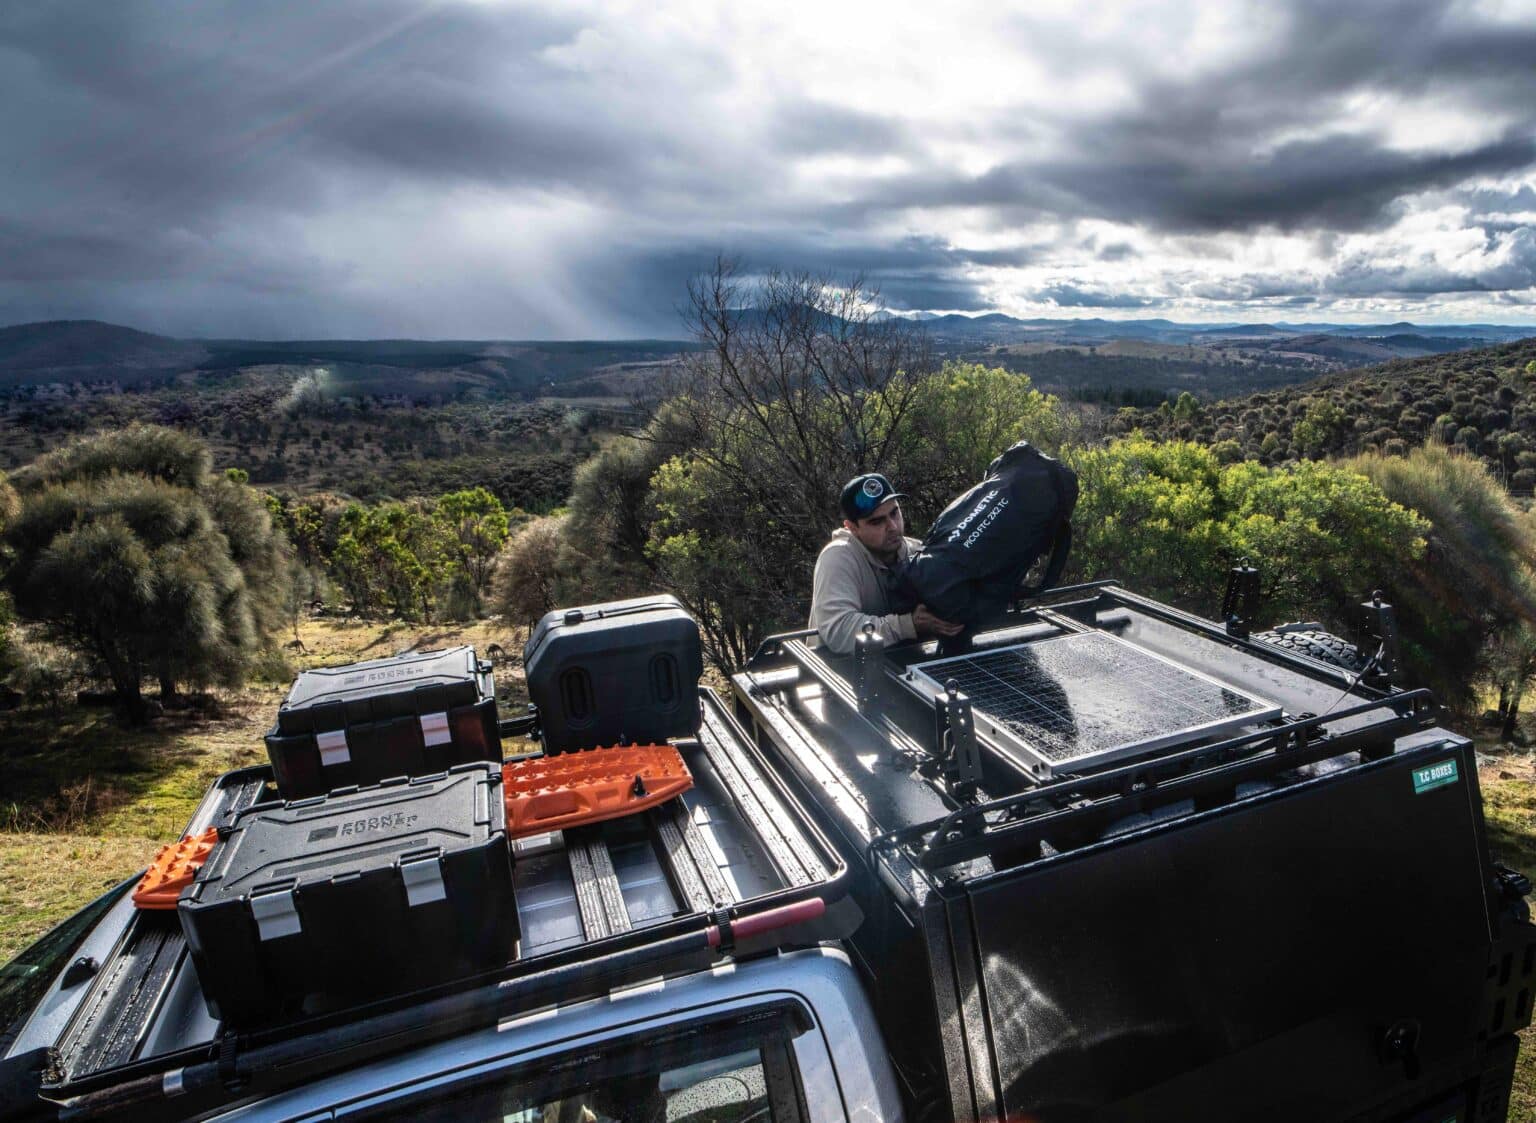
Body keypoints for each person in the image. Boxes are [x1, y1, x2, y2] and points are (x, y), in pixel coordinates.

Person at [809, 472, 964, 655]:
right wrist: (909, 625)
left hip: (901, 669)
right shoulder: (838, 557)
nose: (892, 526)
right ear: (852, 528)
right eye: (876, 521)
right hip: (837, 675)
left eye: (894, 513)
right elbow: (840, 632)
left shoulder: (916, 551)